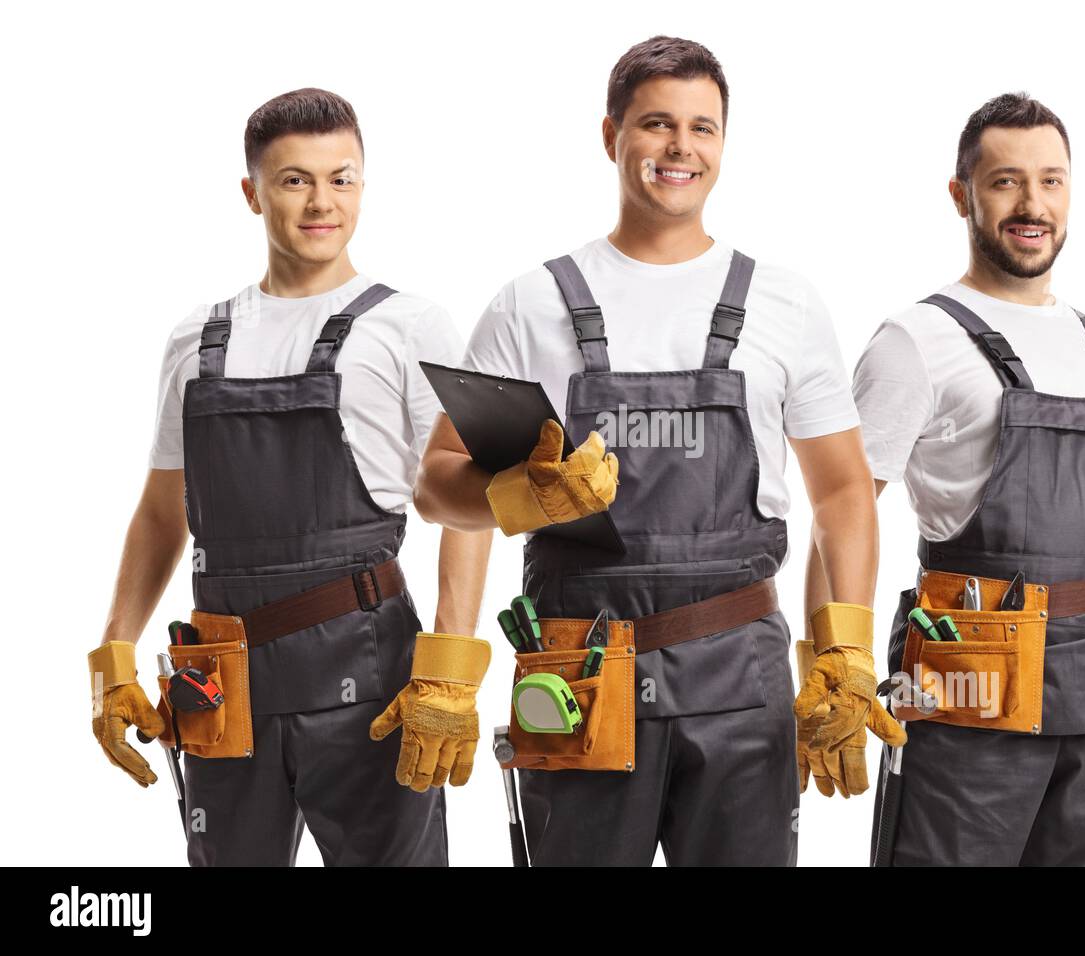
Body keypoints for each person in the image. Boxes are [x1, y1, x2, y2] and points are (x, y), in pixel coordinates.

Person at [415, 36, 901, 866]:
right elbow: (436, 486)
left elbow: (846, 491)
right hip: (576, 678)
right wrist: (520, 502)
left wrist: (843, 649)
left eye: (703, 128)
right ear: (612, 137)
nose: (682, 148)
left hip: (739, 680)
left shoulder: (783, 303)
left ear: (722, 144)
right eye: (657, 125)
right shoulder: (529, 305)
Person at [88, 88, 492, 866]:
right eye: (295, 180)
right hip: (220, 687)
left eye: (341, 179)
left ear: (364, 186)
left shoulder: (409, 327)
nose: (322, 202)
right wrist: (114, 654)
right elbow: (160, 514)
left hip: (369, 678)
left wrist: (449, 663)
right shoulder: (195, 341)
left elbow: (463, 499)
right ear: (252, 192)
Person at [811, 92, 1085, 866]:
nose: (1032, 205)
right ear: (962, 195)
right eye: (1006, 181)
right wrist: (835, 660)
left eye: (1051, 181)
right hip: (965, 692)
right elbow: (843, 508)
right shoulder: (916, 340)